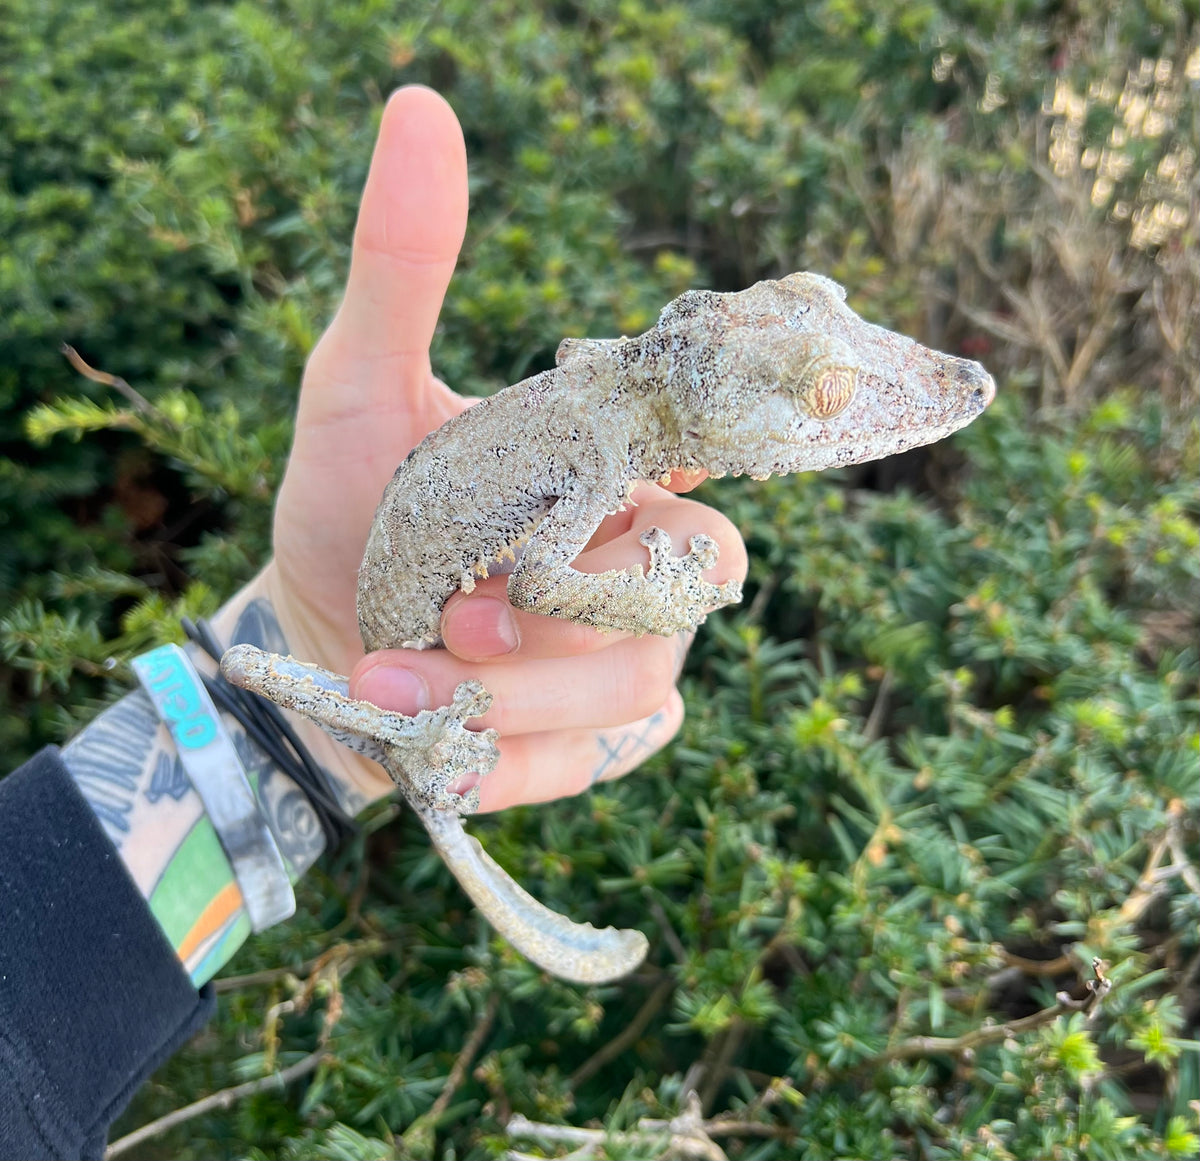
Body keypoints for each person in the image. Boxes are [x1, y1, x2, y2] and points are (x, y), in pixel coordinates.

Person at [0, 86, 746, 1159]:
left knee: (377, 710)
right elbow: (542, 579)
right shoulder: (596, 438)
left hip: (335, 705)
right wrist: (667, 591)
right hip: (385, 710)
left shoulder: (604, 416)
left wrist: (301, 711)